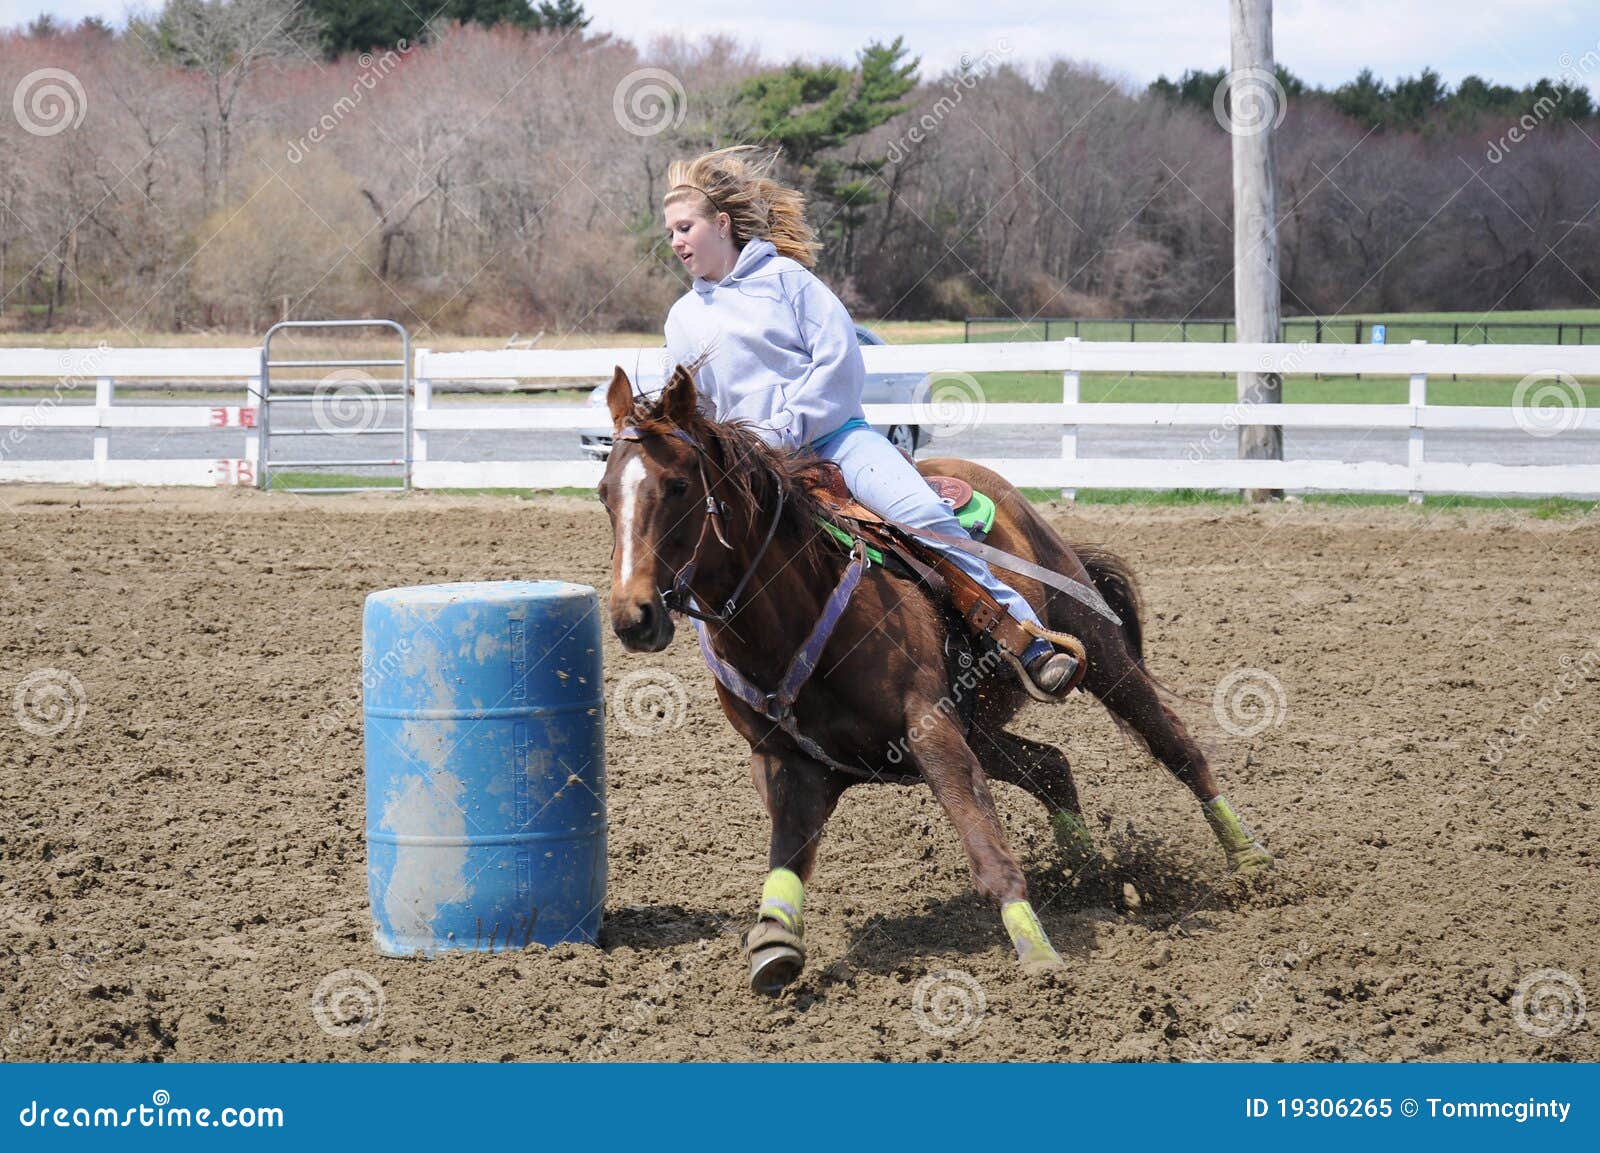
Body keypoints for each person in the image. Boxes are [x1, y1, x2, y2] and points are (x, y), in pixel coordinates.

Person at [660, 145, 1078, 698]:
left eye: (684, 228)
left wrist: (781, 431)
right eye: (669, 234)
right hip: (749, 473)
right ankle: (749, 686)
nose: (676, 243)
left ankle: (1024, 638)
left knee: (923, 517)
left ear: (722, 223)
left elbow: (839, 366)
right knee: (692, 552)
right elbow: (694, 408)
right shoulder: (682, 319)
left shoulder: (790, 282)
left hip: (837, 444)